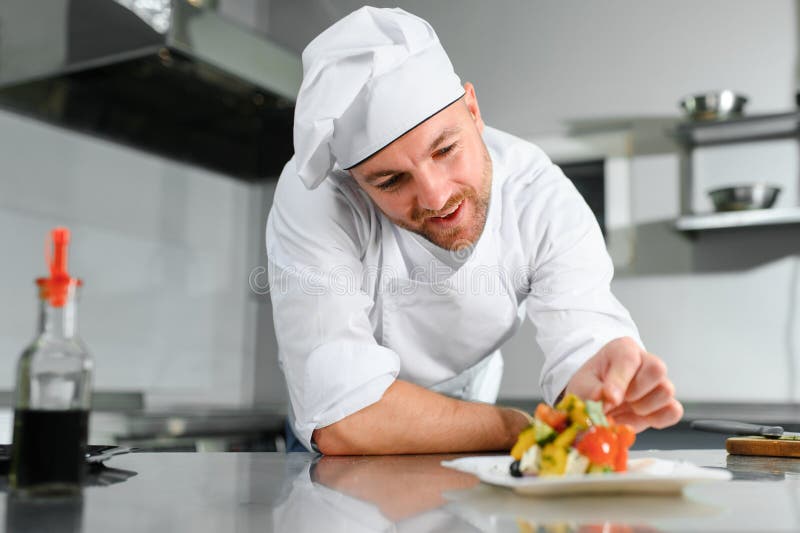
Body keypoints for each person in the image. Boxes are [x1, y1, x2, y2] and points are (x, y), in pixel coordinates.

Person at [266, 6, 682, 454]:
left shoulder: (536, 194)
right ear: (354, 180)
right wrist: (516, 429)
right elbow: (343, 416)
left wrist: (598, 378)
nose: (434, 196)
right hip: (358, 450)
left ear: (473, 109)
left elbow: (584, 338)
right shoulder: (317, 199)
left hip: (472, 418)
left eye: (445, 150)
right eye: (390, 181)